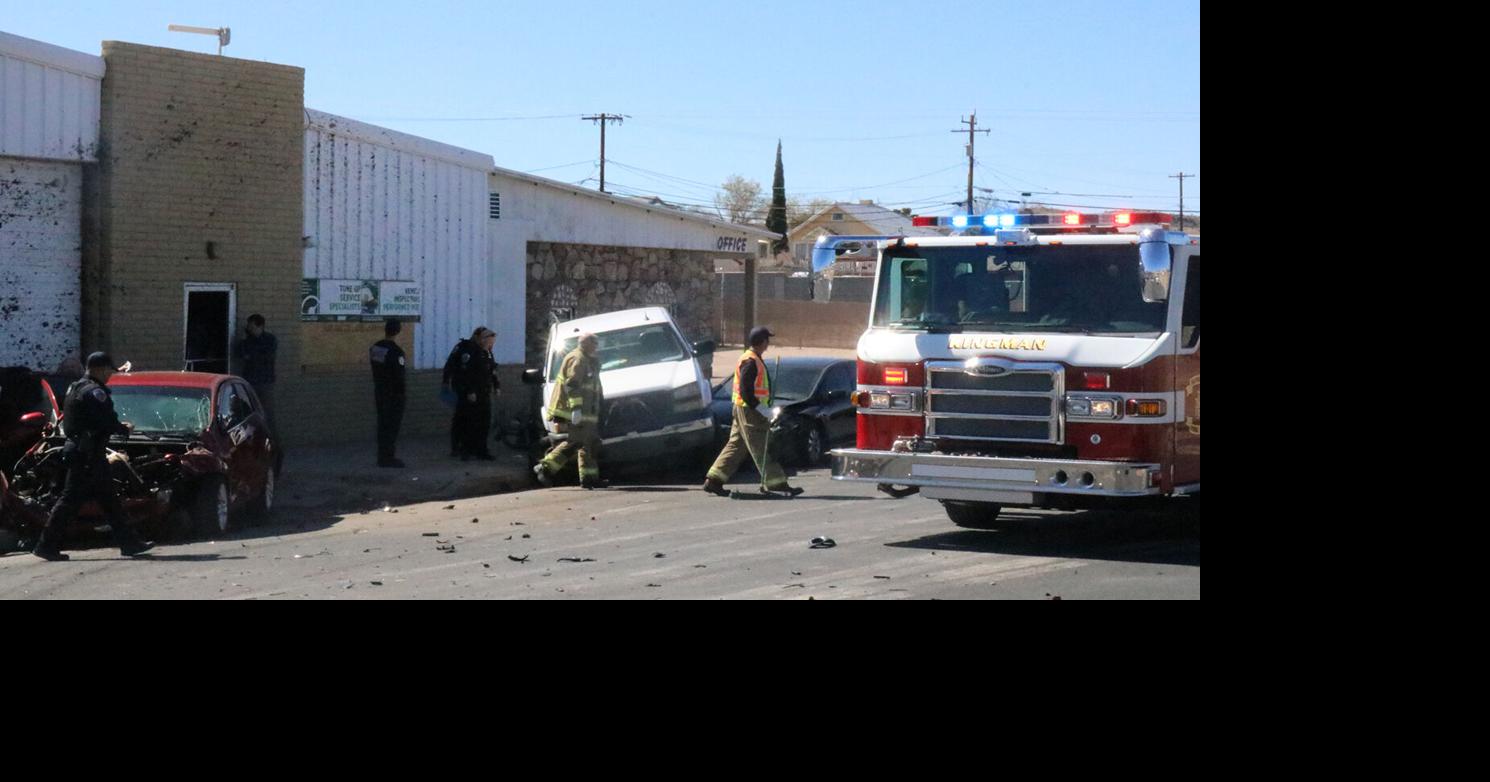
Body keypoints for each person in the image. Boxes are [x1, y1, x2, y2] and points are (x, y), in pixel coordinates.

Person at [32, 352, 153, 562]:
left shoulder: (75, 386)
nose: (109, 376)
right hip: (87, 454)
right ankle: (46, 545)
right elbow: (105, 420)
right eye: (108, 371)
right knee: (70, 501)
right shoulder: (95, 392)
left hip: (82, 450)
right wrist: (122, 428)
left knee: (109, 500)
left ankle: (130, 544)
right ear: (100, 369)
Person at [703, 327, 803, 498]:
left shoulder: (751, 358)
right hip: (749, 410)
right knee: (762, 446)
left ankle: (714, 480)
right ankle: (776, 483)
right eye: (767, 340)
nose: (768, 344)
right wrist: (762, 409)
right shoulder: (751, 361)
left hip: (743, 408)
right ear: (762, 341)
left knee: (736, 445)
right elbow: (746, 391)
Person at [534, 333, 605, 489]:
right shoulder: (578, 359)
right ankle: (545, 468)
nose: (596, 347)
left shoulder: (589, 360)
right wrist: (576, 409)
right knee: (576, 442)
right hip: (575, 410)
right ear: (585, 344)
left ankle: (589, 478)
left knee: (590, 443)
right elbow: (572, 385)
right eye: (594, 343)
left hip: (588, 411)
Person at [448, 327, 500, 461]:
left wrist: (497, 386)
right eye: (489, 341)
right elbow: (466, 373)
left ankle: (481, 450)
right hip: (471, 393)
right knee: (468, 421)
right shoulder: (470, 351)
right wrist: (470, 391)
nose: (491, 344)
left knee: (484, 422)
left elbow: (492, 370)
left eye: (492, 342)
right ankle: (465, 450)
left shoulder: (487, 352)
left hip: (484, 392)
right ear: (482, 339)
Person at [370, 319, 408, 468]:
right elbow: (399, 376)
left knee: (382, 425)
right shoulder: (396, 352)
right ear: (398, 331)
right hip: (393, 395)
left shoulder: (375, 348)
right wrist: (401, 395)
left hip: (380, 391)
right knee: (391, 427)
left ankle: (382, 455)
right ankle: (388, 457)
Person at [235, 314, 278, 425]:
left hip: (264, 381)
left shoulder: (269, 340)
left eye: (253, 327)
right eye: (249, 327)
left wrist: (252, 355)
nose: (250, 330)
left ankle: (271, 439)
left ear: (261, 327)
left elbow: (266, 357)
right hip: (249, 380)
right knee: (248, 412)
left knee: (266, 413)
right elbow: (240, 353)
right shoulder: (247, 341)